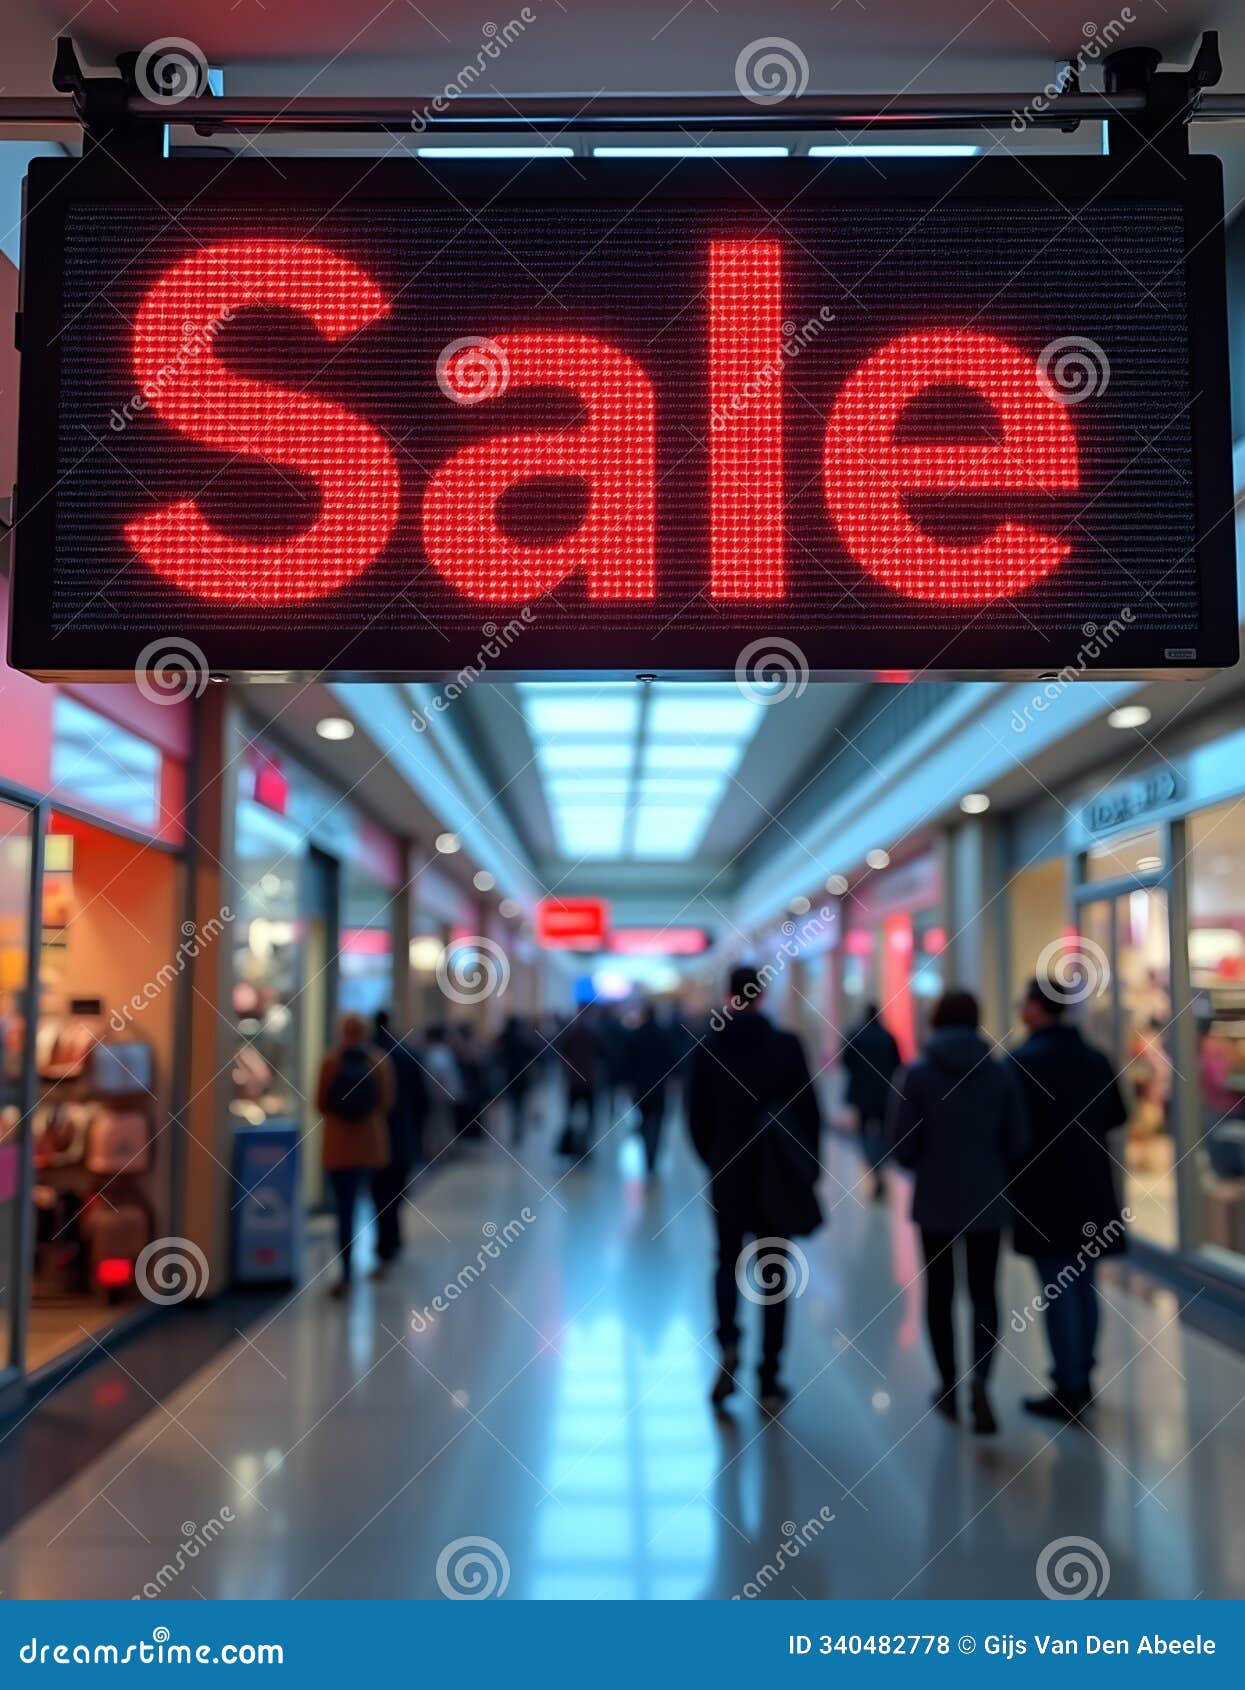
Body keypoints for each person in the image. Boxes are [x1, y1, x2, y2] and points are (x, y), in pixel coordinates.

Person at [888, 988, 1027, 1435]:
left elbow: (902, 1148)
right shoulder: (1000, 1074)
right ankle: (981, 1380)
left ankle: (947, 1385)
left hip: (935, 1200)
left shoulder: (919, 1074)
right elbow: (1019, 1140)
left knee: (940, 1293)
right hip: (987, 1197)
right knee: (984, 1292)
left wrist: (931, 1160)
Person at [688, 965, 823, 1414]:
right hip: (776, 1177)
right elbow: (810, 1114)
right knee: (774, 1273)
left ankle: (728, 1343)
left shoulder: (711, 1048)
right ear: (762, 995)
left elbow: (695, 1119)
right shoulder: (786, 1047)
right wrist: (808, 1169)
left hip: (728, 1173)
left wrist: (714, 1158)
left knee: (726, 1262)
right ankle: (769, 1374)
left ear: (728, 995)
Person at [1009, 977, 1129, 1422]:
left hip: (1043, 1194)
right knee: (1083, 1283)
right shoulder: (1094, 1058)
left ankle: (1068, 1385)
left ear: (1039, 1009)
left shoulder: (1021, 1062)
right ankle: (1083, 1376)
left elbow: (1012, 1133)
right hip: (1091, 1188)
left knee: (1057, 1286)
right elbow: (1118, 1114)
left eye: (1025, 1002)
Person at [317, 1013, 395, 1298]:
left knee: (345, 1210)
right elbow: (387, 1101)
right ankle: (378, 1259)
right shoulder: (379, 1061)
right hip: (371, 1146)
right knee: (377, 1204)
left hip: (338, 1148)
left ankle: (346, 1273)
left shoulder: (330, 1062)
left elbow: (320, 1103)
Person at [371, 1010, 429, 1269]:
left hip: (376, 1135)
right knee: (396, 1188)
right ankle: (392, 1237)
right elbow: (422, 1099)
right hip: (403, 1133)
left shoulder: (370, 1056)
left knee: (379, 1190)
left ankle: (385, 1240)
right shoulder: (406, 1054)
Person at [841, 1003, 902, 1200]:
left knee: (862, 1132)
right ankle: (880, 1167)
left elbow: (846, 1062)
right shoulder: (887, 1037)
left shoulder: (855, 1035)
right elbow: (897, 1064)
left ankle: (872, 1166)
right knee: (885, 1132)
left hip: (861, 1094)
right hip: (884, 1093)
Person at [624, 1002, 674, 1174]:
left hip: (641, 1087)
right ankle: (653, 1155)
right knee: (658, 1121)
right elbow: (672, 1061)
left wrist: (630, 1084)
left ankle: (647, 1154)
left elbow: (628, 1062)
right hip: (659, 1087)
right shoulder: (664, 1035)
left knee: (645, 1120)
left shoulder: (635, 1036)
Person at [557, 1012, 605, 1160]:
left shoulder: (570, 1034)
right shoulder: (594, 1033)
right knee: (590, 1116)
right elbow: (602, 1054)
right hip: (588, 1081)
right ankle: (585, 1146)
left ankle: (573, 1146)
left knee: (571, 1115)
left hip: (574, 1080)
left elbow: (563, 1054)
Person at [495, 1015, 537, 1144]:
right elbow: (532, 1056)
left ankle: (515, 1128)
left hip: (510, 1075)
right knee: (520, 1104)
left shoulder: (505, 1038)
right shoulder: (523, 1039)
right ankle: (518, 1129)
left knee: (513, 1104)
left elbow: (498, 1057)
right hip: (522, 1076)